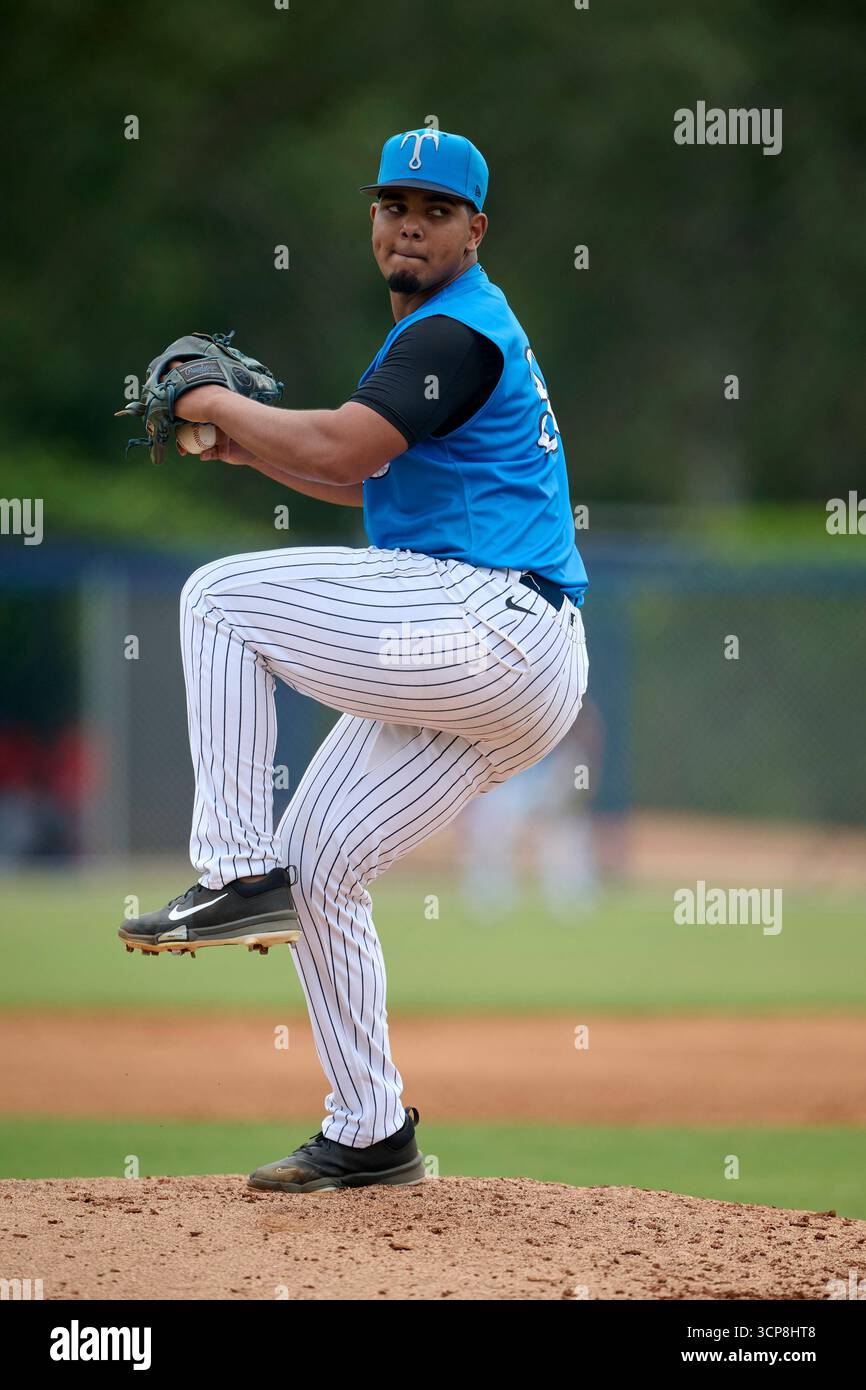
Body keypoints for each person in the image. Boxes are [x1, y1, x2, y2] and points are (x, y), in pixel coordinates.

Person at [117, 128, 589, 1193]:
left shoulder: (452, 333)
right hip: (515, 664)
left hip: (486, 628)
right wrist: (245, 441)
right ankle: (371, 1130)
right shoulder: (442, 340)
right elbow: (357, 469)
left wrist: (211, 404)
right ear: (372, 222)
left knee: (218, 600)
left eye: (433, 207)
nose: (409, 221)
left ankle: (236, 872)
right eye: (392, 204)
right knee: (323, 864)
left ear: (475, 228)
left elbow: (339, 446)